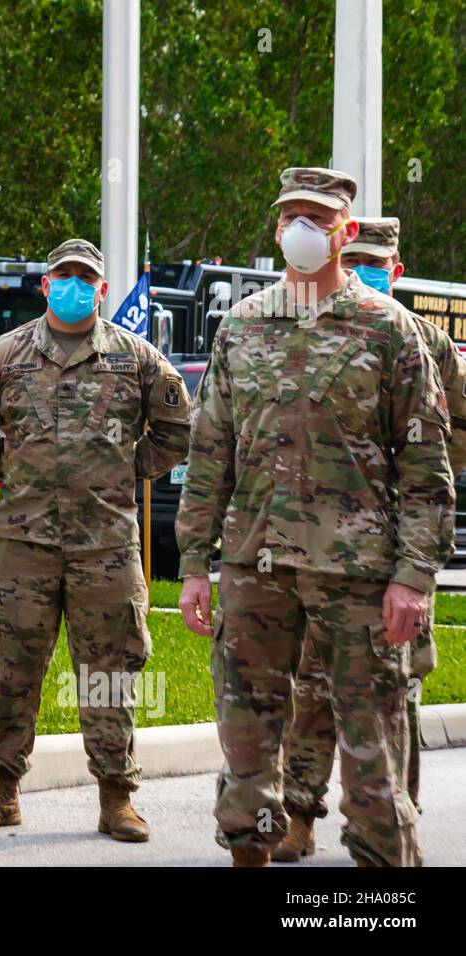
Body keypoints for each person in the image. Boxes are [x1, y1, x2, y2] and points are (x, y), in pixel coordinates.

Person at [176, 168, 454, 867]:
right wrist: (192, 565)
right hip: (254, 567)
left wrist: (414, 578)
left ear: (345, 231)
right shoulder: (241, 327)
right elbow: (210, 453)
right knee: (246, 741)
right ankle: (251, 849)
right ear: (276, 229)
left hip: (357, 577)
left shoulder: (390, 332)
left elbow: (426, 470)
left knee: (373, 756)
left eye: (317, 216)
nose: (301, 227)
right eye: (290, 215)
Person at [0, 238, 191, 840]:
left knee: (108, 672)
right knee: (12, 668)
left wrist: (126, 467)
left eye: (84, 278)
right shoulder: (4, 355)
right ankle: (1, 788)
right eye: (62, 276)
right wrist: (8, 468)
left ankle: (116, 797)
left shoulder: (136, 358)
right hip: (22, 542)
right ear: (45, 286)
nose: (72, 285)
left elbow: (176, 431)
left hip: (107, 544)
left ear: (101, 289)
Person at [274, 216, 466, 862]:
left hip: (392, 550)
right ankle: (298, 813)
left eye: (376, 262)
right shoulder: (315, 327)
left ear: (397, 270)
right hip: (320, 544)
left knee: (395, 692)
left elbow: (453, 439)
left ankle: (393, 821)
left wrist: (394, 483)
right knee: (311, 687)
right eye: (354, 259)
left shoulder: (425, 342)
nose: (364, 270)